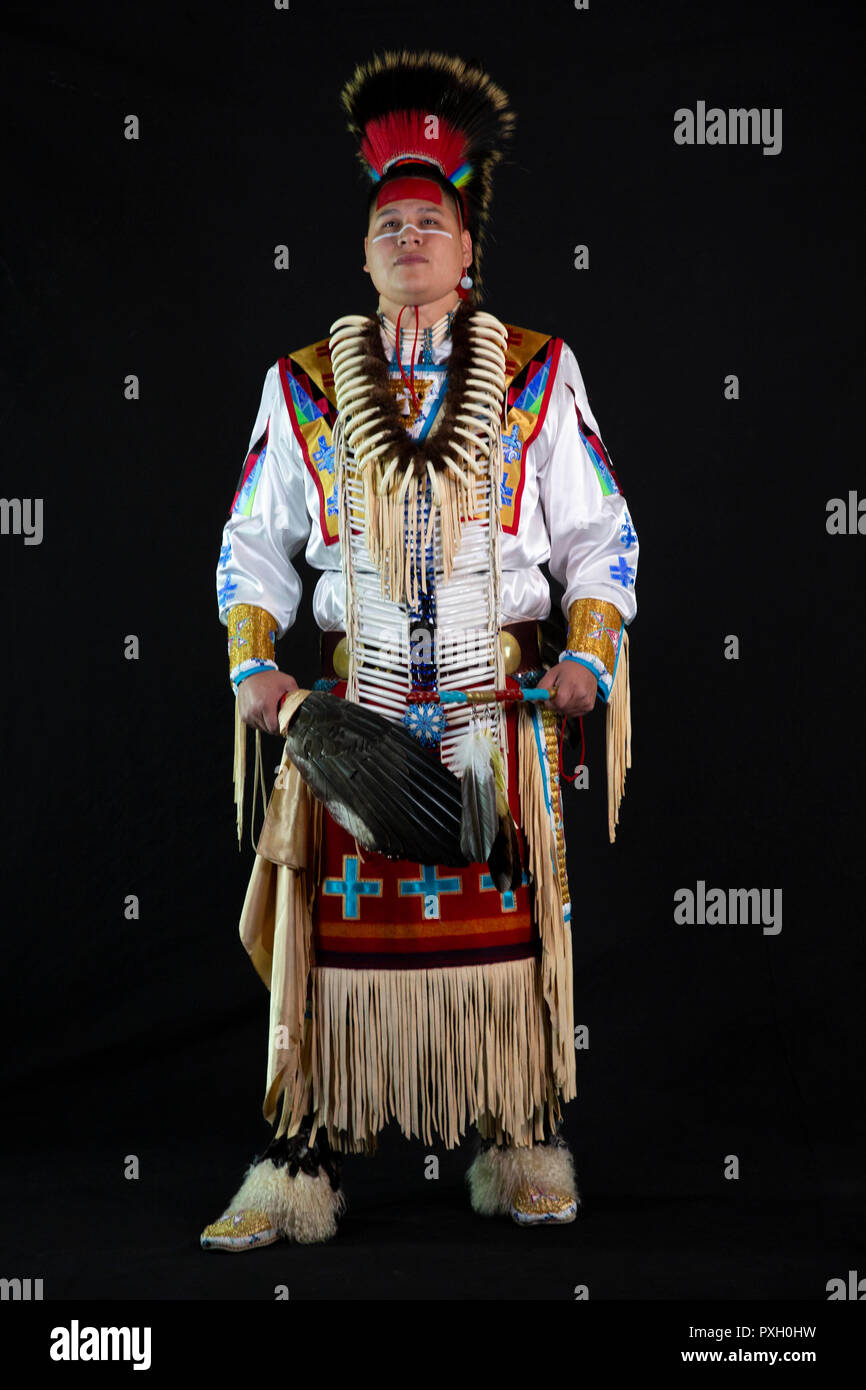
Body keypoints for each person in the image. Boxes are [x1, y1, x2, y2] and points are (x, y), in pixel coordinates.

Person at [201, 49, 638, 1251]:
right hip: (353, 718)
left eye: (428, 223)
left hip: (499, 711)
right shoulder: (301, 386)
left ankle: (519, 1136)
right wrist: (257, 669)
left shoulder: (538, 371)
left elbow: (600, 534)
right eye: (387, 224)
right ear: (362, 252)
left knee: (510, 944)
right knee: (322, 952)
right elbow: (252, 545)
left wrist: (587, 657)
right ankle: (296, 1160)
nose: (407, 238)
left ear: (465, 249)